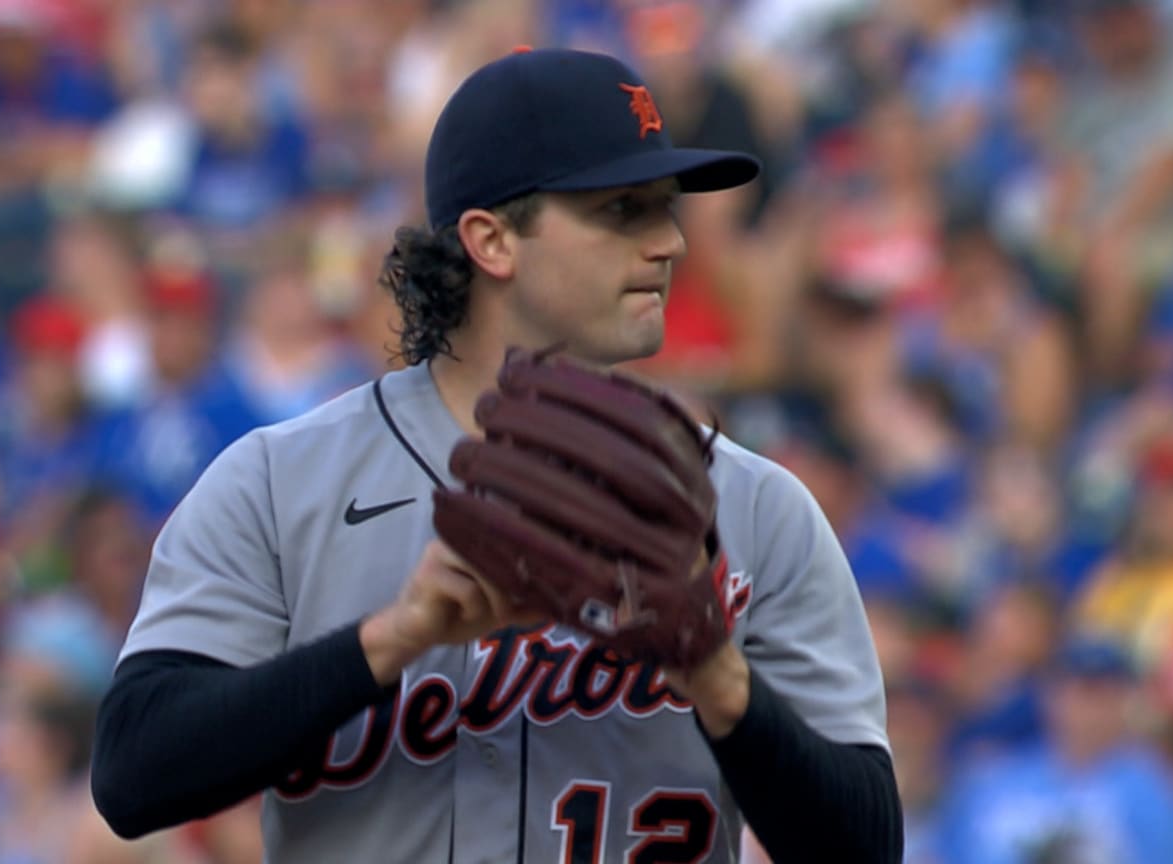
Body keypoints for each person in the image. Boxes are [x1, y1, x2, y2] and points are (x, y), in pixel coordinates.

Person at [90, 47, 901, 863]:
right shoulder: (278, 485)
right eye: (624, 210)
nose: (671, 242)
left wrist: (717, 675)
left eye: (667, 208)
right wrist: (391, 640)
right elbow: (133, 774)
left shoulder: (757, 509)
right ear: (492, 240)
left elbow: (865, 846)